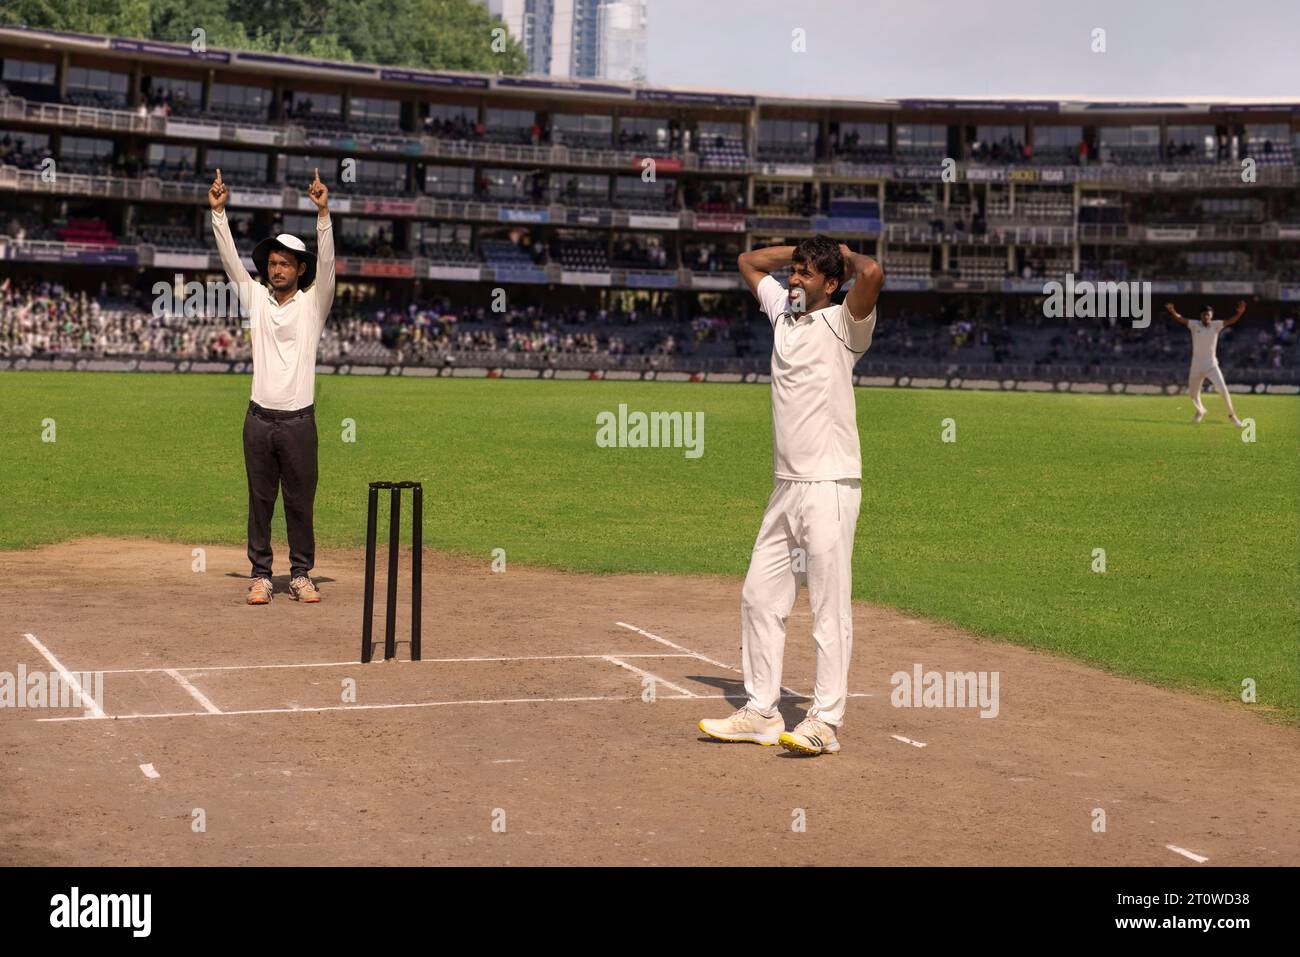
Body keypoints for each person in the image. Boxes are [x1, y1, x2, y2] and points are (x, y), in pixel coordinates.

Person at [699, 236, 883, 756]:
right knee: (759, 596)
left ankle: (825, 722)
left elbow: (872, 276)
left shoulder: (846, 324)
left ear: (831, 285)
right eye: (794, 272)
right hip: (785, 487)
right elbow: (747, 261)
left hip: (830, 485)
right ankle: (760, 710)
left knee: (828, 609)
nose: (795, 281)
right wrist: (800, 253)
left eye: (806, 275)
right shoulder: (783, 311)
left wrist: (841, 256)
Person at [209, 166, 335, 605]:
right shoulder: (256, 301)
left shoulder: (314, 305)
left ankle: (301, 574)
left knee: (300, 503)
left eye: (284, 263)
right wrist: (220, 216)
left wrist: (323, 214)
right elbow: (230, 265)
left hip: (300, 422)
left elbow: (330, 265)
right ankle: (261, 574)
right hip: (258, 420)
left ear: (301, 268)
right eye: (271, 264)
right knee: (260, 501)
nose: (276, 269)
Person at [1164, 301, 1246, 426]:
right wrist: (1172, 311)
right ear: (1200, 316)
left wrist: (1239, 313)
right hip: (1196, 365)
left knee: (1223, 390)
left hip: (1211, 365)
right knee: (1192, 394)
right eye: (1203, 315)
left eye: (1208, 315)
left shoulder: (1216, 325)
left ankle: (1232, 416)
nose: (1206, 317)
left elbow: (1231, 321)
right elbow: (1181, 319)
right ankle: (1200, 411)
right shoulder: (1194, 325)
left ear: (1211, 315)